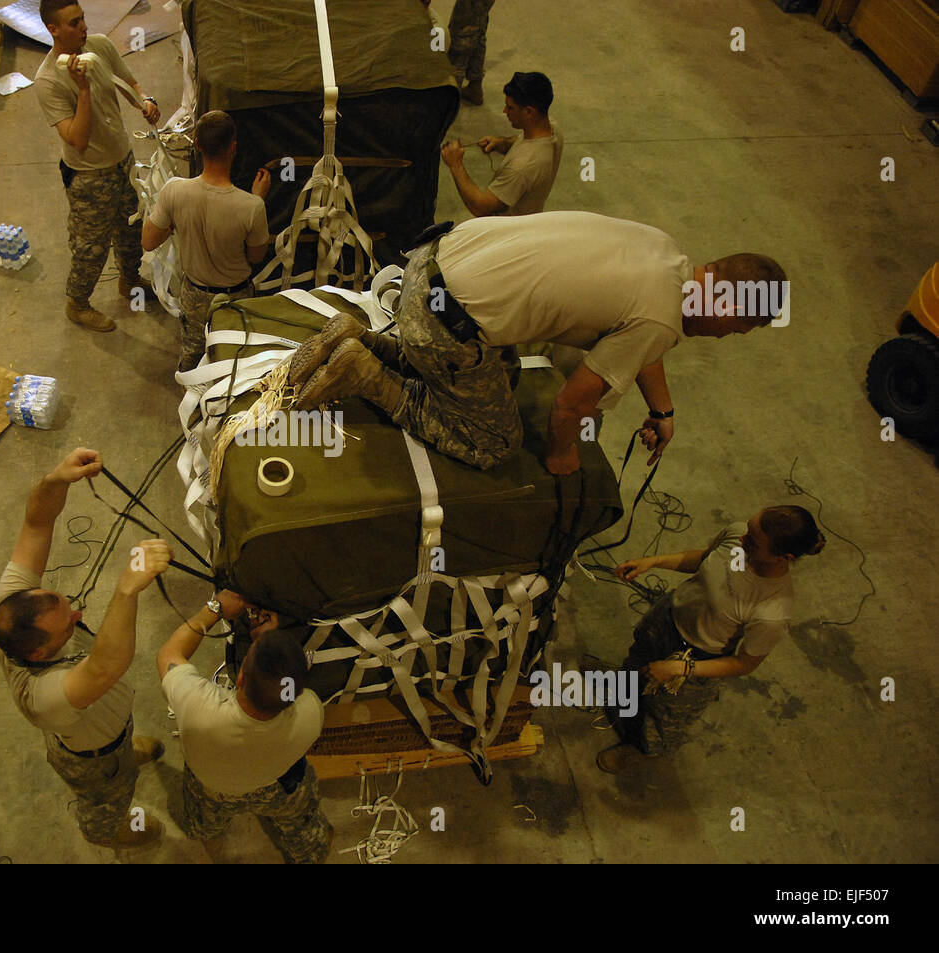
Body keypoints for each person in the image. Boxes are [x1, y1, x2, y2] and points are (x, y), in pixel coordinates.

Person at [287, 211, 787, 475]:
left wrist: (663, 410)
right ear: (725, 304)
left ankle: (364, 339)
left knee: (499, 374)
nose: (726, 338)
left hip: (429, 263)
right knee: (496, 442)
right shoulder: (661, 317)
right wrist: (563, 457)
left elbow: (642, 341)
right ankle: (366, 373)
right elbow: (571, 405)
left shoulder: (664, 251)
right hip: (440, 322)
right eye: (737, 328)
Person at [0, 447, 172, 849]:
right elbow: (106, 668)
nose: (77, 616)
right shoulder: (43, 696)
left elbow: (37, 524)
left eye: (66, 606)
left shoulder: (15, 606)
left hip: (107, 732)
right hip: (94, 759)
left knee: (119, 741)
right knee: (107, 796)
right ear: (39, 654)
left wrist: (56, 479)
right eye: (68, 624)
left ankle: (125, 747)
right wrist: (128, 586)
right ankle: (106, 830)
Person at [595, 505, 825, 772]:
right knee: (636, 665)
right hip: (669, 619)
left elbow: (744, 664)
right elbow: (706, 558)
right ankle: (621, 695)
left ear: (783, 557)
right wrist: (655, 561)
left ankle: (640, 748)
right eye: (748, 529)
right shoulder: (739, 535)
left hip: (695, 657)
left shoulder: (772, 610)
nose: (742, 539)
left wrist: (681, 668)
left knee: (666, 714)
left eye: (753, 541)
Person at [156, 591, 332, 864]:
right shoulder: (311, 710)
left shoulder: (198, 710)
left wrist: (215, 609)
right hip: (278, 785)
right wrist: (267, 644)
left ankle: (209, 836)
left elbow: (169, 653)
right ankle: (309, 852)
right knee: (302, 820)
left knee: (204, 823)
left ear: (239, 679)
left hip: (212, 787)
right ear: (297, 689)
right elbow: (278, 693)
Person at [36, 0, 163, 333]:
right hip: (89, 176)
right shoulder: (48, 80)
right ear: (54, 29)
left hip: (123, 160)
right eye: (74, 23)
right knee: (90, 247)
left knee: (131, 226)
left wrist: (146, 101)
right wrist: (83, 90)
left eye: (82, 19)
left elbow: (130, 83)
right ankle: (77, 304)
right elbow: (77, 139)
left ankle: (130, 279)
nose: (83, 27)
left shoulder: (100, 46)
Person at [142, 110, 272, 372]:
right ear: (233, 148)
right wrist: (258, 198)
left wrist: (177, 219)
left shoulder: (175, 191)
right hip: (235, 297)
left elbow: (148, 240)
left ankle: (191, 408)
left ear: (197, 144)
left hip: (194, 294)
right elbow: (256, 256)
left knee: (192, 356)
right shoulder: (251, 207)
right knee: (235, 357)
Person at [440, 71, 562, 218]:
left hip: (505, 233)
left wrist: (456, 165)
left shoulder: (521, 168)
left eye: (510, 108)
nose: (505, 111)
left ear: (529, 111)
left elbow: (482, 207)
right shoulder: (552, 129)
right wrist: (502, 143)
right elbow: (522, 140)